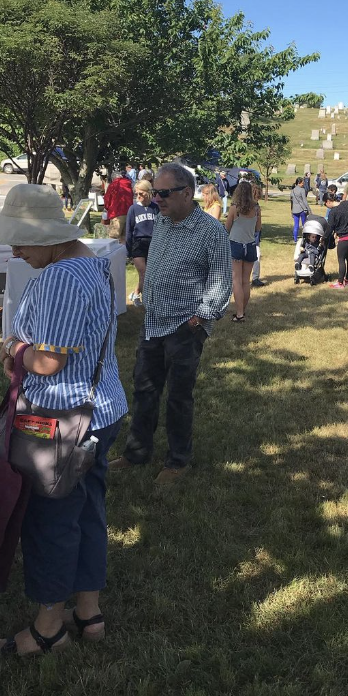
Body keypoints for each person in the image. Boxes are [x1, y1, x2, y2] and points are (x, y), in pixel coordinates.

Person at [0, 184, 128, 656]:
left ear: (51, 236)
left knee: (51, 522)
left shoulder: (61, 277)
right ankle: (88, 612)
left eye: (21, 239)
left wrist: (12, 348)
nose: (15, 249)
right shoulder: (95, 265)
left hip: (60, 421)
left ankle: (48, 630)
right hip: (99, 411)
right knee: (87, 513)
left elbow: (49, 362)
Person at [110, 163, 232, 482]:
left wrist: (200, 317)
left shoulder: (211, 230)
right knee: (144, 389)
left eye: (163, 193)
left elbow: (221, 280)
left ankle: (177, 460)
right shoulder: (163, 220)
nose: (156, 199)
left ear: (187, 193)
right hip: (153, 322)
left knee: (178, 396)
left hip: (184, 326)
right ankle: (137, 452)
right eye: (154, 193)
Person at [226, 180, 261, 322]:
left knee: (236, 281)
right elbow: (258, 228)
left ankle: (239, 313)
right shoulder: (257, 209)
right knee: (246, 281)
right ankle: (242, 310)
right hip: (250, 245)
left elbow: (227, 228)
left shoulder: (234, 208)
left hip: (236, 244)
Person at [126, 179, 159, 306]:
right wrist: (128, 250)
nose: (138, 196)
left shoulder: (155, 208)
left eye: (141, 193)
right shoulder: (133, 209)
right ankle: (147, 301)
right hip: (138, 244)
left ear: (148, 192)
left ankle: (135, 293)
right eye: (136, 193)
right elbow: (129, 230)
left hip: (153, 243)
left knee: (149, 274)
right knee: (144, 272)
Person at [324, 192, 348, 288]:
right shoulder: (347, 203)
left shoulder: (333, 211)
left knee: (341, 260)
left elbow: (330, 228)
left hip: (344, 238)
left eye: (325, 204)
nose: (326, 206)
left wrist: (323, 238)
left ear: (328, 201)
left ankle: (340, 283)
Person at [103, 171, 134, 241]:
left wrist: (107, 208)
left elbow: (107, 199)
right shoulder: (128, 184)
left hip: (117, 213)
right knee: (125, 238)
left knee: (113, 238)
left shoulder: (114, 185)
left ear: (113, 178)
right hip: (129, 213)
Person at [251, 182, 265, 287]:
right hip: (251, 235)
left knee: (256, 255)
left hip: (253, 235)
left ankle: (255, 277)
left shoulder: (255, 205)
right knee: (256, 256)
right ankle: (255, 278)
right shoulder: (254, 207)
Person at [290, 176, 310, 242]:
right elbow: (305, 201)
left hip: (295, 210)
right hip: (302, 209)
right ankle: (305, 238)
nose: (303, 184)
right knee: (304, 224)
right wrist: (309, 209)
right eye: (302, 183)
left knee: (296, 225)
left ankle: (295, 239)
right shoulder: (302, 190)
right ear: (299, 183)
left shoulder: (292, 190)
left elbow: (291, 201)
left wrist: (291, 211)